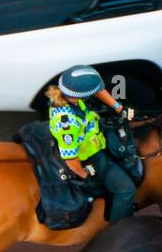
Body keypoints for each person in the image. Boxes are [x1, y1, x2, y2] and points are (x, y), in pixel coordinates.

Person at [47, 65, 137, 222]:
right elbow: (70, 157)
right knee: (126, 190)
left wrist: (118, 107)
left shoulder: (67, 93)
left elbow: (98, 90)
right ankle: (118, 231)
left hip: (95, 135)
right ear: (81, 95)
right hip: (89, 156)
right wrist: (83, 173)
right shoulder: (67, 123)